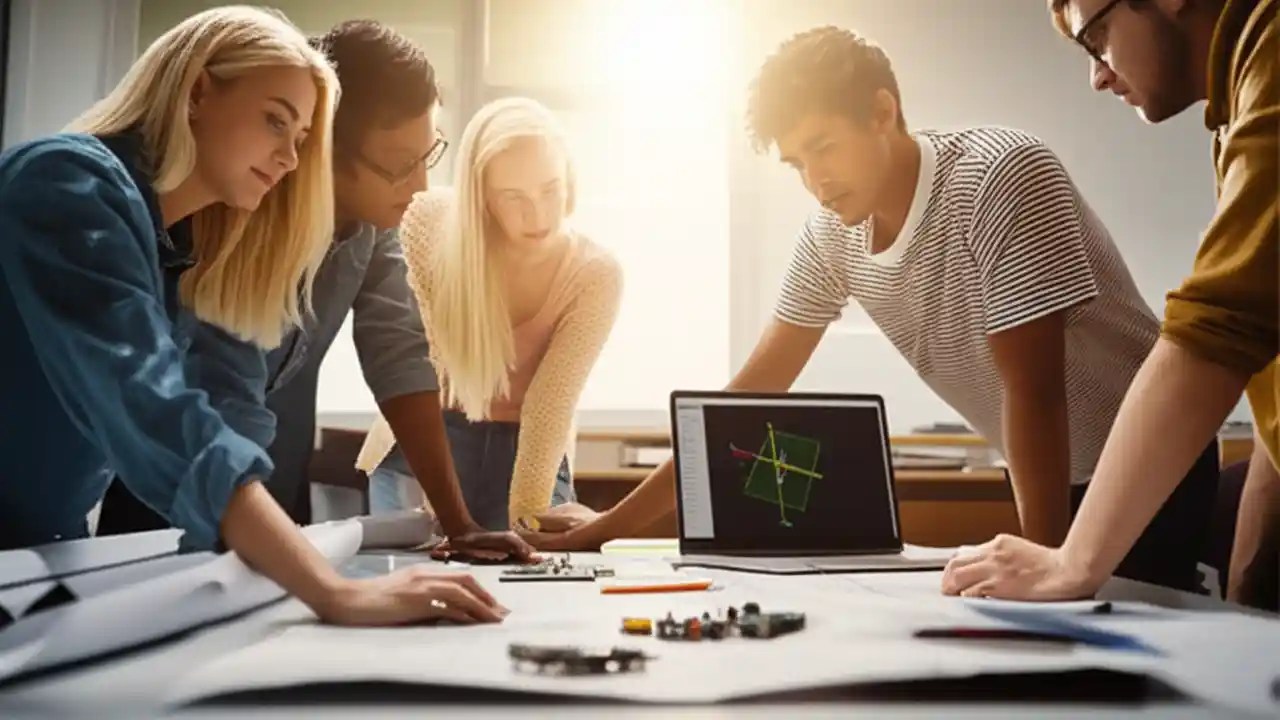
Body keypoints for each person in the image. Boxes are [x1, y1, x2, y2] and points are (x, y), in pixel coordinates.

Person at [522, 25, 1222, 592]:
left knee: (1103, 662)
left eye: (824, 147)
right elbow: (742, 399)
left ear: (884, 111)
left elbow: (1032, 392)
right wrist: (608, 525)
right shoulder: (831, 236)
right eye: (796, 162)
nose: (814, 178)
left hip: (1148, 469)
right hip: (1047, 477)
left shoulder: (1000, 173)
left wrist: (1039, 557)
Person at [0, 7, 505, 625]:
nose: (292, 160)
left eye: (300, 139)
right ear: (198, 92)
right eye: (275, 122)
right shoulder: (67, 185)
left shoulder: (182, 241)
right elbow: (153, 407)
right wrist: (334, 591)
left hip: (38, 557)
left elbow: (242, 397)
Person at [95, 19, 534, 561]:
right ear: (322, 148)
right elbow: (222, 393)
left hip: (273, 496)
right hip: (171, 502)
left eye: (428, 156)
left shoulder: (374, 229)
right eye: (399, 167)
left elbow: (400, 355)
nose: (419, 188)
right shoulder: (233, 210)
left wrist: (458, 522)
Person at [940, 0, 1276, 602]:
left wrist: (1073, 561)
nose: (1097, 74)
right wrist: (1252, 592)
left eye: (1097, 37)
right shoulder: (1235, 102)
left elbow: (1219, 330)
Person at [355, 96, 623, 533]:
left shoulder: (595, 274)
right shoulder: (428, 222)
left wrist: (528, 523)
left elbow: (549, 406)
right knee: (414, 575)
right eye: (513, 196)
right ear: (482, 198)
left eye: (550, 190)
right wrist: (442, 515)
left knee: (531, 580)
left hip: (528, 446)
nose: (537, 214)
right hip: (431, 431)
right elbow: (423, 366)